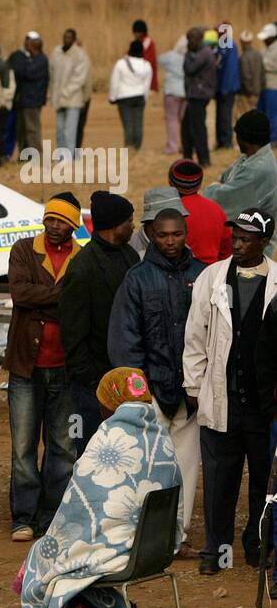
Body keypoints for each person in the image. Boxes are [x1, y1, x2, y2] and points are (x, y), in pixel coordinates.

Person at [19, 366, 180, 608]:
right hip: (153, 551)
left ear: (113, 401)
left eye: (104, 401)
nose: (101, 408)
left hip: (121, 553)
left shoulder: (108, 440)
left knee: (44, 563)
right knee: (66, 560)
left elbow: (79, 510)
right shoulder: (161, 439)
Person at [184, 208, 277, 575]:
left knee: (261, 481)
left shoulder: (274, 280)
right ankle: (216, 552)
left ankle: (256, 547)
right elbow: (195, 336)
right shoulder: (212, 278)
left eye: (246, 239)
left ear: (264, 242)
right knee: (220, 481)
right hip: (221, 397)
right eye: (234, 237)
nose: (237, 245)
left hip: (263, 404)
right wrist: (193, 384)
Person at [108, 206, 204, 556]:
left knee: (186, 469)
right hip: (150, 392)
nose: (169, 241)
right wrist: (139, 392)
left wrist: (201, 384)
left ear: (185, 233)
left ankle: (177, 538)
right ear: (150, 234)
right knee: (145, 467)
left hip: (191, 393)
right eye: (162, 234)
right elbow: (125, 339)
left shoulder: (203, 275)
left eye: (176, 233)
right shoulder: (137, 278)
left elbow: (211, 334)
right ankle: (142, 538)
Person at [4, 192, 81, 542]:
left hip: (66, 367)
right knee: (23, 445)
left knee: (62, 447)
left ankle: (51, 516)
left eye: (61, 221)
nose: (53, 226)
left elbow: (77, 305)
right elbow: (19, 294)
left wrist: (42, 299)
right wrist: (61, 297)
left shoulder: (82, 257)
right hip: (26, 364)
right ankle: (23, 516)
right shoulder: (23, 249)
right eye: (50, 219)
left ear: (73, 225)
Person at [59, 190, 138, 457]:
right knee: (94, 454)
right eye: (129, 220)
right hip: (93, 384)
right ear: (115, 226)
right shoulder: (83, 267)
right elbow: (72, 330)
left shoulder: (130, 256)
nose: (133, 225)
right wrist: (90, 378)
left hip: (124, 377)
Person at [203, 109, 277, 255]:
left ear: (245, 139)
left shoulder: (258, 169)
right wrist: (220, 185)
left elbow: (219, 200)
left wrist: (212, 189)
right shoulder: (250, 158)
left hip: (252, 251)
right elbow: (223, 179)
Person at [166, 158, 230, 264]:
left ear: (170, 183)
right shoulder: (217, 209)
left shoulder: (167, 213)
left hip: (180, 275)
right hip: (213, 273)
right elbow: (226, 252)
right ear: (199, 185)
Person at [48, 29, 89, 159]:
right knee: (59, 131)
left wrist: (67, 91)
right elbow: (51, 73)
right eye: (65, 37)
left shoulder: (80, 55)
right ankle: (61, 157)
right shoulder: (56, 52)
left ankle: (69, 159)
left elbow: (80, 78)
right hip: (58, 98)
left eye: (70, 37)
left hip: (73, 99)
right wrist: (52, 92)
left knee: (69, 131)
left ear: (74, 39)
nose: (67, 39)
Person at [108, 40, 153, 151]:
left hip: (124, 98)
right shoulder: (146, 65)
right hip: (139, 97)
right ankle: (137, 148)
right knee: (138, 124)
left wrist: (112, 98)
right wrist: (145, 98)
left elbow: (114, 82)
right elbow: (146, 86)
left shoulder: (121, 64)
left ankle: (128, 149)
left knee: (128, 124)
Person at [182, 27, 215, 167]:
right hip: (194, 94)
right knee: (186, 127)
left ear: (199, 39)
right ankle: (187, 158)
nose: (189, 42)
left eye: (191, 40)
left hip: (199, 95)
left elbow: (189, 68)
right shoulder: (198, 52)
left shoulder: (204, 53)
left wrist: (188, 53)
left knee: (198, 128)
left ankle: (204, 160)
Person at [15, 31, 48, 160]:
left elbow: (26, 73)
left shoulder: (41, 60)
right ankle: (24, 155)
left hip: (33, 100)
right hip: (24, 100)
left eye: (29, 42)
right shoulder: (30, 59)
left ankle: (36, 156)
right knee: (22, 130)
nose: (26, 44)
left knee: (32, 129)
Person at [159, 38, 186, 156]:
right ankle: (186, 144)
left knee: (171, 119)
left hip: (171, 91)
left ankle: (172, 146)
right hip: (186, 91)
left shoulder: (171, 56)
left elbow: (159, 60)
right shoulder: (192, 57)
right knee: (184, 120)